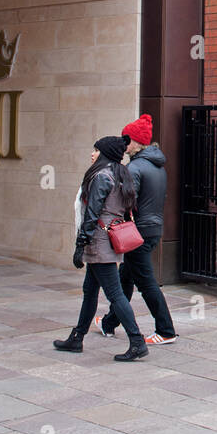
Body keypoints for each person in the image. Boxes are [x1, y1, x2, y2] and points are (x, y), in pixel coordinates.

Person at [53, 136, 149, 362]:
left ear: (104, 153)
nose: (92, 154)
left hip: (99, 241)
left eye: (95, 150)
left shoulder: (101, 176)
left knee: (114, 293)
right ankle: (77, 337)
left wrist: (80, 244)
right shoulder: (120, 174)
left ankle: (136, 341)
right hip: (107, 237)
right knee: (89, 290)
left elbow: (92, 213)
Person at [99, 114, 177, 345]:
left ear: (136, 142)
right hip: (152, 228)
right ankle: (109, 322)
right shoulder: (158, 166)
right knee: (126, 278)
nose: (124, 144)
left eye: (126, 139)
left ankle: (165, 330)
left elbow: (127, 200)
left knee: (145, 282)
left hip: (137, 231)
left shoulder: (134, 168)